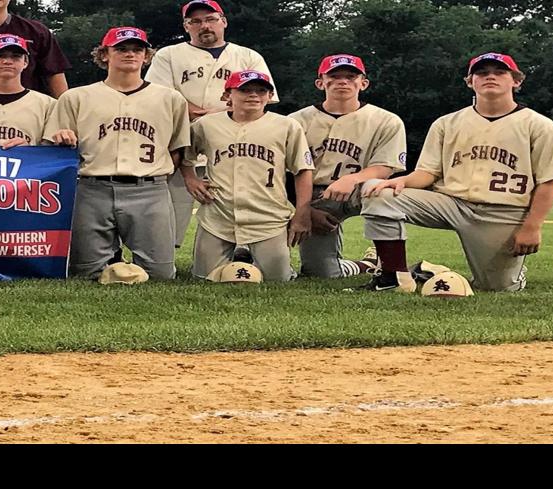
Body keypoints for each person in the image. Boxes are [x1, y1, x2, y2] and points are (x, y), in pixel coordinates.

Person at [360, 53, 553, 292]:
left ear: (516, 81)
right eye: (481, 73)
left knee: (497, 287)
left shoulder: (540, 126)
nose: (490, 76)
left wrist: (532, 226)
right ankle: (394, 278)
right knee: (377, 193)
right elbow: (428, 172)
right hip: (451, 203)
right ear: (470, 81)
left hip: (503, 211)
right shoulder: (446, 123)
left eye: (500, 72)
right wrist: (402, 181)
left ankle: (432, 271)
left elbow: (550, 181)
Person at [46, 27, 189, 280]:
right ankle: (112, 257)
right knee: (86, 273)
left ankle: (119, 258)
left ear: (146, 56)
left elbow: (176, 149)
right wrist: (61, 139)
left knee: (160, 275)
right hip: (92, 189)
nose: (130, 54)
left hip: (149, 190)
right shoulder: (75, 97)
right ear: (104, 55)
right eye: (121, 49)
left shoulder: (171, 98)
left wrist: (155, 178)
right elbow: (54, 150)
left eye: (137, 49)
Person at [145, 1, 276, 248]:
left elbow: (265, 98)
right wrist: (192, 109)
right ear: (186, 26)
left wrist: (215, 114)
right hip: (178, 140)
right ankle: (165, 257)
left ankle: (242, 251)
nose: (204, 25)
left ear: (223, 21)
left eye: (211, 19)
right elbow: (156, 96)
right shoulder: (169, 55)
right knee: (173, 205)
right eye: (195, 21)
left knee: (235, 200)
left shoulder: (248, 56)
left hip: (233, 140)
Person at [185, 71, 311, 281]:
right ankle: (240, 256)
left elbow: (303, 169)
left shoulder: (287, 126)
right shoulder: (206, 125)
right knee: (204, 277)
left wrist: (302, 213)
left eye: (261, 90)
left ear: (270, 96)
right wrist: (191, 179)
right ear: (227, 95)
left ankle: (244, 257)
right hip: (219, 215)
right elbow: (185, 156)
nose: (253, 95)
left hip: (267, 217)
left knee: (277, 279)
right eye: (244, 90)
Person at [289, 54, 405, 278]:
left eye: (351, 76)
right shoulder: (296, 121)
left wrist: (351, 179)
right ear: (320, 82)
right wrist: (305, 210)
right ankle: (365, 264)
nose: (343, 81)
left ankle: (391, 267)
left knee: (383, 192)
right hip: (314, 196)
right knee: (320, 273)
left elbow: (385, 167)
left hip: (361, 189)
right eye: (334, 76)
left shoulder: (386, 120)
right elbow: (286, 173)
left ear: (363, 83)